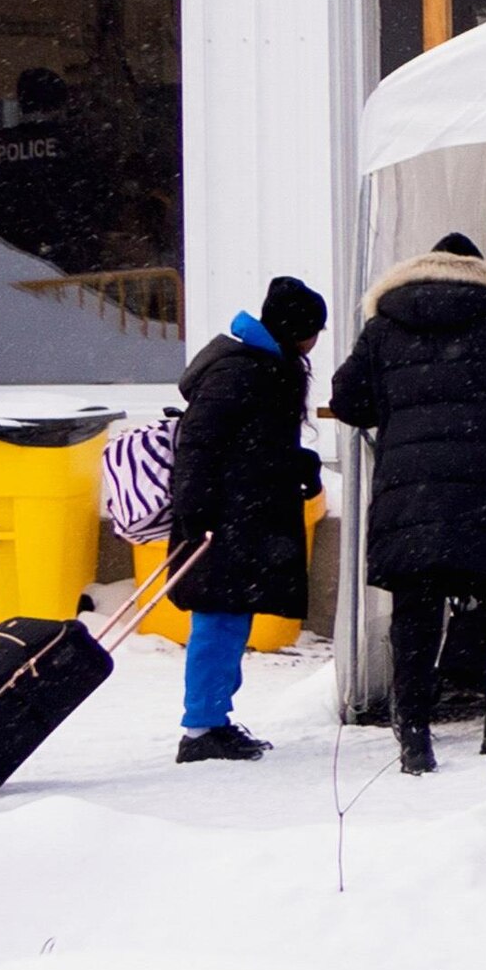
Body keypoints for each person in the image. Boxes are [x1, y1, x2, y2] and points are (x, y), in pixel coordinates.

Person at [328, 233, 486, 776]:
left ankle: (415, 736)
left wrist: (398, 409)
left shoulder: (383, 325)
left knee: (414, 614)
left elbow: (348, 400)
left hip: (411, 489)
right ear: (479, 271)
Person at [164, 275, 330, 764]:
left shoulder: (263, 366)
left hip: (240, 514)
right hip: (223, 517)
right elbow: (198, 445)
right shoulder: (242, 372)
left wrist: (295, 464)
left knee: (229, 618)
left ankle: (212, 720)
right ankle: (200, 729)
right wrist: (196, 513)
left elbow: (252, 444)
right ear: (293, 329)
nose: (315, 340)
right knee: (218, 621)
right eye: (313, 330)